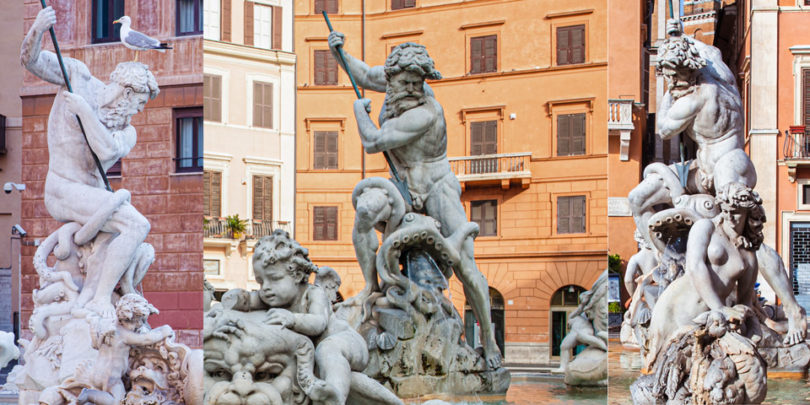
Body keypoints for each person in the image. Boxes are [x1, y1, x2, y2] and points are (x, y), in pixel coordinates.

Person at [329, 31, 502, 369]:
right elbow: (362, 75)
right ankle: (369, 286)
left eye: (417, 82)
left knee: (466, 264)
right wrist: (339, 52)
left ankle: (490, 343)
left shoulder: (425, 111)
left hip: (437, 187)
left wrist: (359, 111)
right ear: (392, 77)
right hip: (401, 188)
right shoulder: (393, 82)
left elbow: (374, 140)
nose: (412, 88)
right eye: (406, 81)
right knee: (365, 210)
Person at [21, 7, 159, 319]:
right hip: (63, 189)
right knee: (137, 224)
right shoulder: (78, 77)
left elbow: (106, 151)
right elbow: (30, 62)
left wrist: (84, 112)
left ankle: (111, 294)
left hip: (95, 197)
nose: (137, 112)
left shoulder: (127, 131)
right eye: (138, 104)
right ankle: (97, 301)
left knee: (137, 242)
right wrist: (38, 29)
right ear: (126, 92)